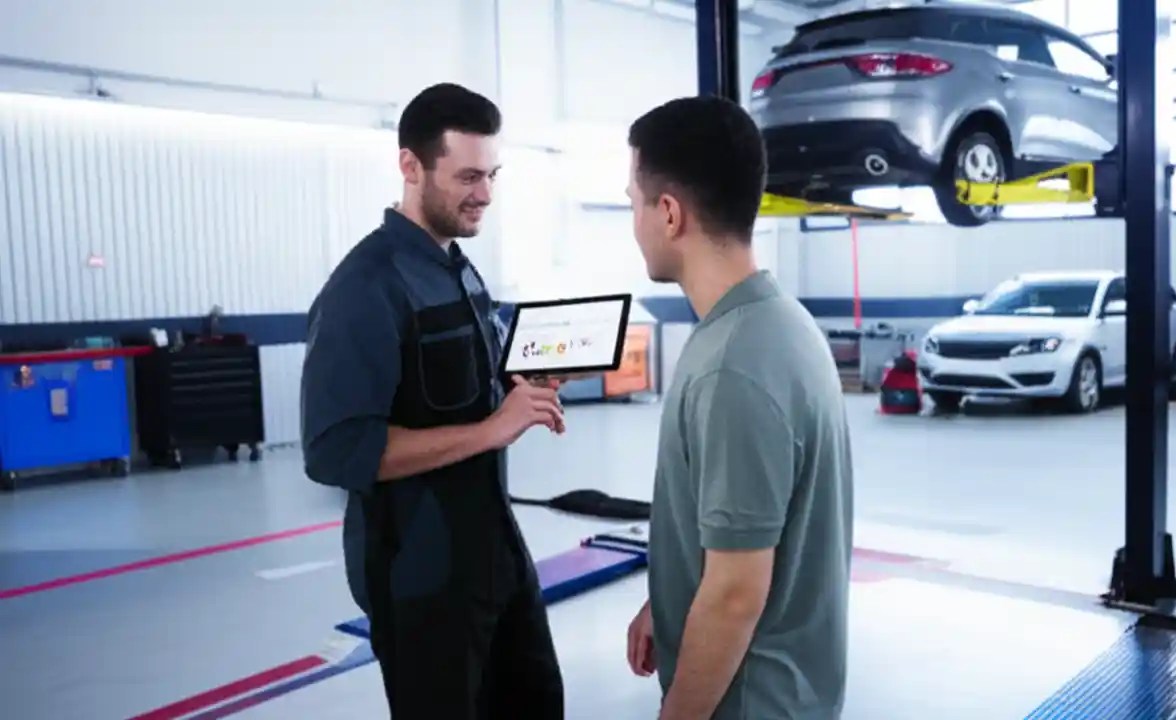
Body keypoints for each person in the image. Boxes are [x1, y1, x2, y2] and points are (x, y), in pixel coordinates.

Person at [300, 82, 566, 719]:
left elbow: (468, 385)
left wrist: (521, 388)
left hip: (495, 552)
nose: (486, 195)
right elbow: (336, 450)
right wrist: (491, 430)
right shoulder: (365, 288)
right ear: (410, 166)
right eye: (469, 176)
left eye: (493, 174)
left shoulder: (460, 266)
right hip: (420, 577)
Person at [622, 96, 855, 719]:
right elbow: (746, 531)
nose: (635, 222)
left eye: (633, 203)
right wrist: (667, 602)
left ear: (669, 214)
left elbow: (733, 594)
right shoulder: (779, 322)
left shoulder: (734, 365)